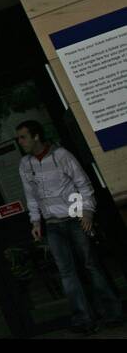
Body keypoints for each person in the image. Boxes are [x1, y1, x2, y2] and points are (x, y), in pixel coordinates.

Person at [16, 120, 123, 334]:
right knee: (67, 273)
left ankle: (114, 313)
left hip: (75, 219)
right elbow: (32, 197)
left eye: (23, 137)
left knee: (90, 265)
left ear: (36, 136)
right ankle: (85, 319)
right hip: (53, 224)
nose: (20, 142)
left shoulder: (62, 156)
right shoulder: (25, 165)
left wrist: (87, 212)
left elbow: (83, 184)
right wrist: (35, 222)